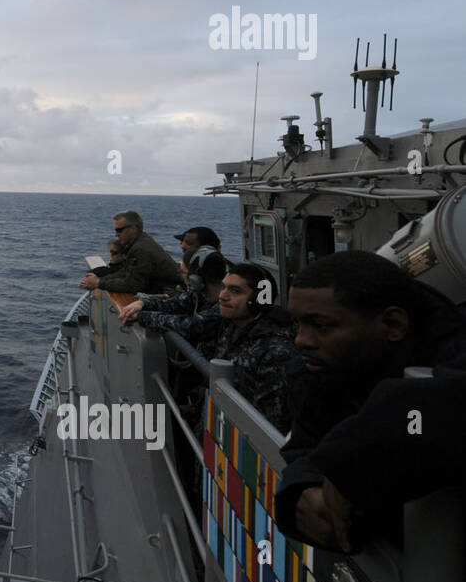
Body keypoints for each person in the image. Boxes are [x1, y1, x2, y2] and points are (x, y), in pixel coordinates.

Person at [275, 250, 466, 552]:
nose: (301, 340)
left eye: (320, 325)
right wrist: (304, 488)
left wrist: (347, 467)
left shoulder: (453, 353)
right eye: (298, 324)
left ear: (393, 325)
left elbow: (438, 407)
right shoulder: (319, 371)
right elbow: (306, 445)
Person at [121, 262, 297, 432]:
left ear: (260, 299)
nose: (223, 296)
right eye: (224, 287)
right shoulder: (231, 320)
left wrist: (145, 316)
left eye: (235, 291)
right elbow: (177, 307)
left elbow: (272, 427)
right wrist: (143, 304)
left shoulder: (276, 350)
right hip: (216, 422)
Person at [79, 210, 183, 294]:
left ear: (133, 229)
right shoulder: (142, 241)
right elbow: (126, 272)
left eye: (119, 230)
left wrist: (98, 283)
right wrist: (100, 279)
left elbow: (133, 285)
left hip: (170, 295)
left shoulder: (140, 248)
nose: (116, 234)